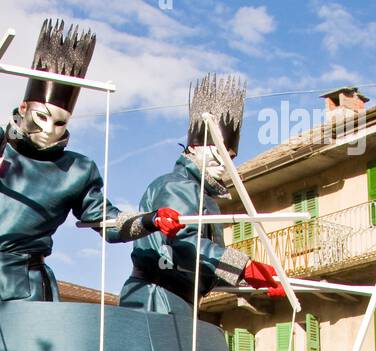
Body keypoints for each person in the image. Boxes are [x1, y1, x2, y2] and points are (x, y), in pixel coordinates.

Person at [0, 18, 178, 303]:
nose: (49, 129)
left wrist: (150, 220)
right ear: (24, 108)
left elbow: (107, 223)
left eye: (60, 122)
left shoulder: (77, 170)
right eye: (42, 117)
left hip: (26, 289)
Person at [118, 74, 283, 316]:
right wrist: (243, 266)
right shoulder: (178, 185)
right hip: (158, 300)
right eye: (220, 153)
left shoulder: (205, 196)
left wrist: (253, 281)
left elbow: (204, 265)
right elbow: (184, 243)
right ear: (195, 147)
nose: (226, 164)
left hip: (178, 300)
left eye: (232, 157)